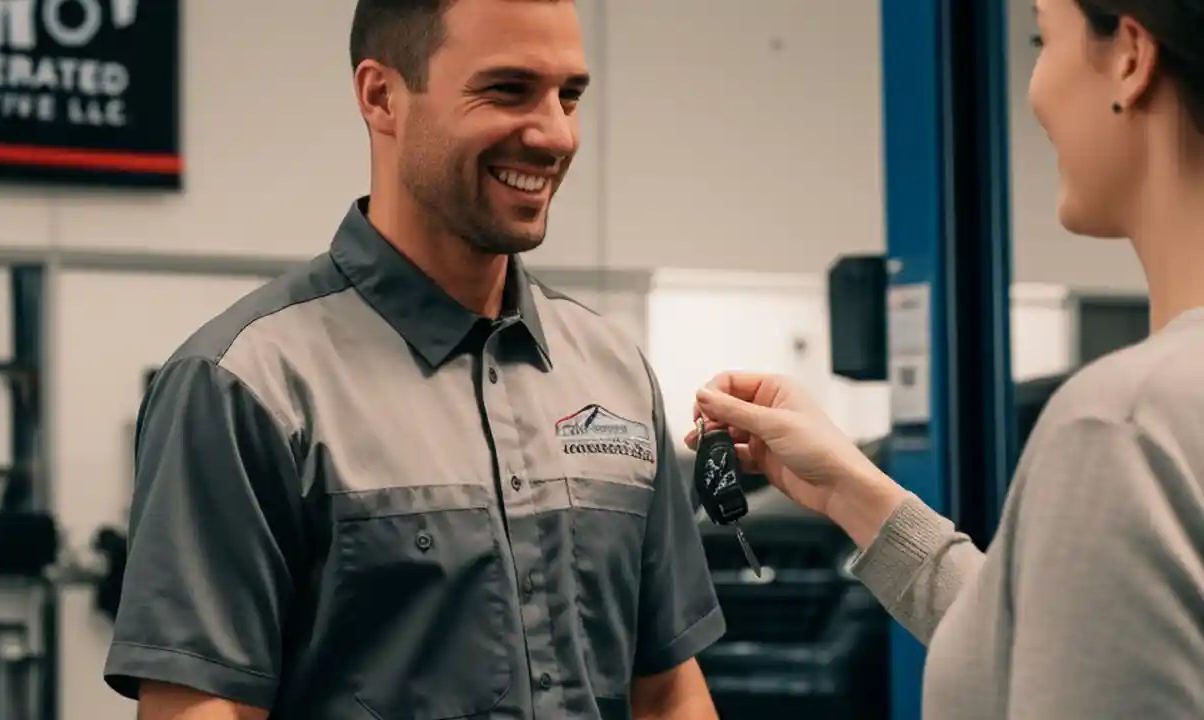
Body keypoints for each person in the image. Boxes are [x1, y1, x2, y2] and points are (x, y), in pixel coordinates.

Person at [102, 0, 725, 718]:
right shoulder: (246, 385)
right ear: (381, 96)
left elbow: (667, 690)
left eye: (570, 96)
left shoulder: (611, 371)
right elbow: (201, 707)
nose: (556, 133)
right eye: (508, 90)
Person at [688, 0, 1204, 717]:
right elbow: (1054, 652)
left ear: (1130, 59)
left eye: (1041, 39)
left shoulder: (1125, 425)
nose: (1034, 91)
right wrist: (850, 492)